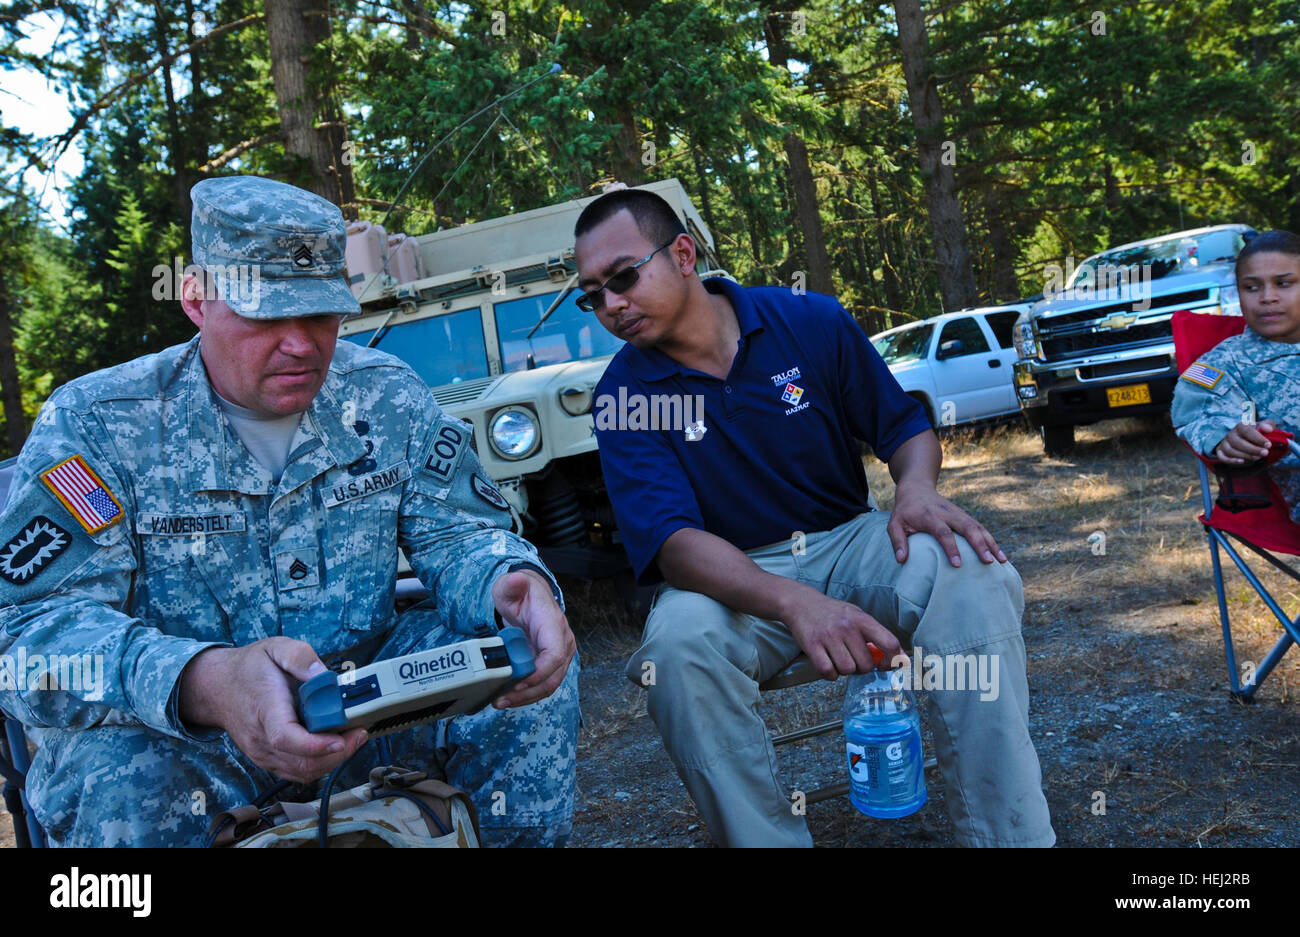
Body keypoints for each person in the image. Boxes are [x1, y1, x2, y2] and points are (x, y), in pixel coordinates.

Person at [0, 175, 578, 847]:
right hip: (194, 742)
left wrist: (510, 578)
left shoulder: (384, 394)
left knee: (523, 678)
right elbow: (29, 640)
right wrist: (205, 679)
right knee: (118, 774)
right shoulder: (100, 425)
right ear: (196, 297)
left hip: (369, 710)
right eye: (268, 315)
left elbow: (461, 532)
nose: (302, 344)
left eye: (320, 314)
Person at [574, 187, 1054, 847]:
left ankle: (1009, 836)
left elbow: (904, 425)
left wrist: (915, 487)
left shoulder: (809, 321)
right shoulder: (624, 396)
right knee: (677, 650)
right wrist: (795, 601)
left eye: (623, 277)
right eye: (593, 294)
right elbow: (675, 545)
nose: (612, 305)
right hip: (730, 578)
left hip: (851, 539)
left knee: (968, 570)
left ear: (683, 252)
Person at [1172, 229, 1300, 523]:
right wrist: (1225, 437)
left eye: (1283, 283)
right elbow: (1195, 412)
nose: (1268, 297)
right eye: (1251, 287)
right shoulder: (1227, 364)